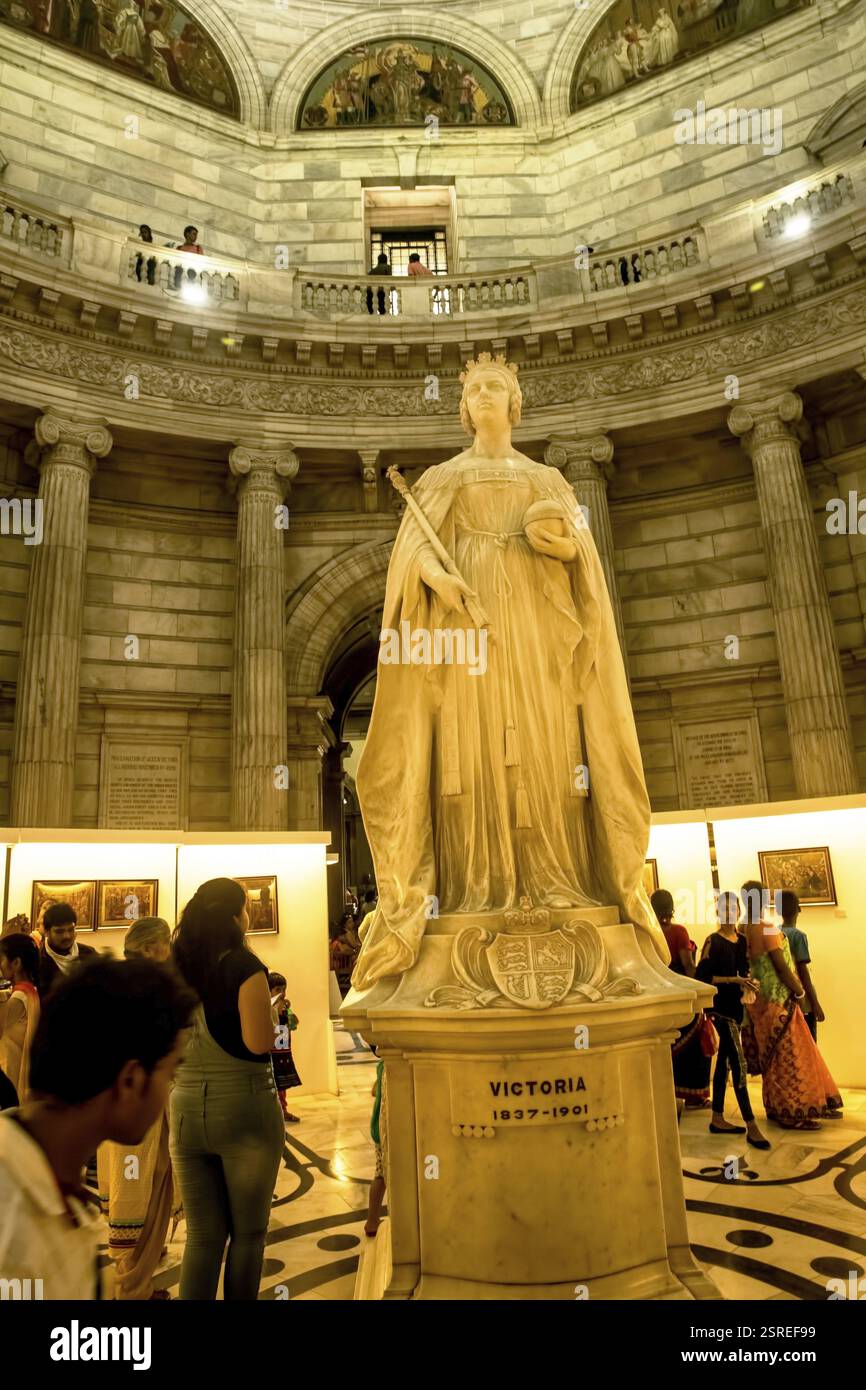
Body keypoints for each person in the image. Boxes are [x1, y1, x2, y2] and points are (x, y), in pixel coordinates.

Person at [0, 958, 194, 1300]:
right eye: (169, 1072)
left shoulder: (57, 1192)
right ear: (131, 1081)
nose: (169, 1089)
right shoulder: (10, 1214)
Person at [169, 878, 285, 1300]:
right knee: (249, 1234)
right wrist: (274, 1018)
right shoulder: (243, 966)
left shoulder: (173, 965)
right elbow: (258, 1042)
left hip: (183, 1108)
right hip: (242, 1108)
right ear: (236, 916)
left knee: (202, 1236)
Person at [96, 918, 179, 1301]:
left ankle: (138, 1286)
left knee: (150, 1184)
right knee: (140, 1192)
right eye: (165, 945)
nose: (169, 953)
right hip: (135, 1106)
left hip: (130, 1104)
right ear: (149, 949)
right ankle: (131, 1290)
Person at [741, 881, 842, 1130]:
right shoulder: (765, 929)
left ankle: (775, 1108)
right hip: (778, 1000)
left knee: (771, 1060)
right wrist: (799, 991)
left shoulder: (743, 928)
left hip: (757, 1003)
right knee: (790, 1057)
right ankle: (793, 1111)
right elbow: (781, 965)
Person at [696, 893, 769, 1148]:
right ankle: (752, 1125)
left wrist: (748, 983)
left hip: (737, 1008)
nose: (729, 912)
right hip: (720, 1010)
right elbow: (703, 978)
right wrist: (733, 981)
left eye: (732, 908)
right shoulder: (712, 941)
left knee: (725, 1063)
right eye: (723, 908)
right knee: (738, 1064)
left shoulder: (742, 941)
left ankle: (717, 1118)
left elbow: (744, 972)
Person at [652, 889, 711, 1108]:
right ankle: (694, 1095)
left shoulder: (649, 932)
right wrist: (696, 989)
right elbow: (687, 963)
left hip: (658, 990)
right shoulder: (678, 931)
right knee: (693, 1046)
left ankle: (667, 1090)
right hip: (678, 991)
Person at [0, 933, 40, 1103]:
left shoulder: (17, 999)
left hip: (12, 1073)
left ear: (16, 963)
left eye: (1, 959)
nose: (0, 965)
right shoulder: (30, 990)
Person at [778, 890, 823, 1041]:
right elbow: (803, 973)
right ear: (798, 909)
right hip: (802, 1000)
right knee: (809, 1046)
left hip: (782, 999)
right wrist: (815, 1004)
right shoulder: (798, 936)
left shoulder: (775, 932)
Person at [38, 902, 97, 996]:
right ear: (47, 932)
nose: (67, 936)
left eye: (71, 930)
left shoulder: (89, 954)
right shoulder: (37, 962)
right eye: (59, 932)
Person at [267, 972, 301, 1124]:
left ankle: (283, 1110)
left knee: (282, 1085)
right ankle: (275, 1112)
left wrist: (287, 1010)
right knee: (274, 1084)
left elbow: (294, 1024)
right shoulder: (269, 1007)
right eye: (277, 989)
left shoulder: (284, 1007)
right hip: (273, 1052)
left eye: (284, 989)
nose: (282, 993)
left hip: (284, 1051)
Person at [365, 1056, 386, 1238]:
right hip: (385, 1130)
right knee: (383, 1176)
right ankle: (372, 1220)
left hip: (379, 1129)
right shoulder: (390, 1066)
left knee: (380, 1174)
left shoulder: (382, 1066)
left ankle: (372, 1220)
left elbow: (374, 1091)